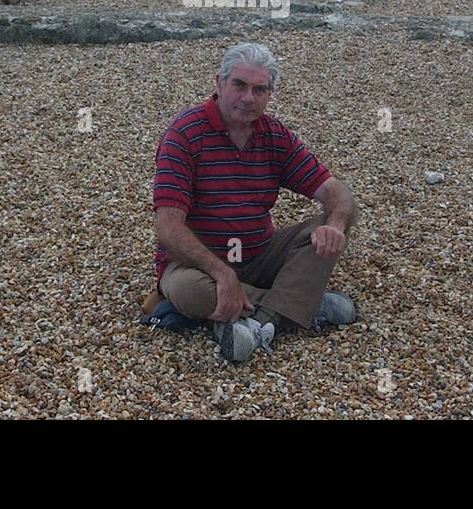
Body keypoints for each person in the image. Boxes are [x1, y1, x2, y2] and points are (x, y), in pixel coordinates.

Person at [147, 42, 358, 363]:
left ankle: (256, 321)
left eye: (259, 89)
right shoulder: (184, 133)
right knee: (189, 292)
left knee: (337, 222)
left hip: (259, 254)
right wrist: (222, 272)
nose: (248, 97)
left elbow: (336, 192)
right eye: (239, 85)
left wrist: (335, 225)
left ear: (269, 94)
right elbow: (168, 226)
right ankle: (304, 305)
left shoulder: (274, 136)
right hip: (197, 265)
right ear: (219, 83)